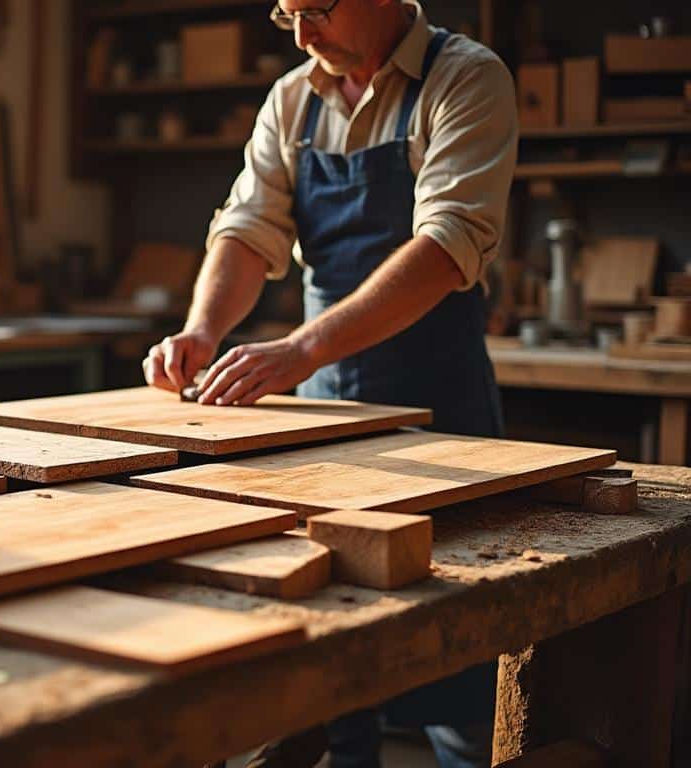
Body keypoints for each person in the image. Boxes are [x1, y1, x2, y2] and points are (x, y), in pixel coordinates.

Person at [142, 1, 517, 766]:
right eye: (288, 13)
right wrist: (203, 330)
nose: (303, 34)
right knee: (335, 659)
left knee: (457, 661)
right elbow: (248, 229)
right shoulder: (293, 98)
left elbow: (446, 245)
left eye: (319, 9)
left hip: (438, 421)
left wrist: (303, 345)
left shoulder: (466, 78)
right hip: (324, 422)